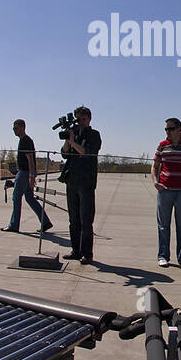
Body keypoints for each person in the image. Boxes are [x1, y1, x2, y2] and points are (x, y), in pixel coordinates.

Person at [151, 118, 181, 268]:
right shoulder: (162, 146)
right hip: (165, 191)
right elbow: (155, 166)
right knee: (163, 226)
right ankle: (163, 256)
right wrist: (155, 182)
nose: (168, 131)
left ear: (179, 129)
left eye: (171, 128)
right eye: (166, 129)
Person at [59, 107, 103, 264]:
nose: (81, 121)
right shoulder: (73, 133)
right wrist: (67, 139)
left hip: (86, 181)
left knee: (86, 219)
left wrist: (73, 142)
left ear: (89, 119)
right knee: (74, 219)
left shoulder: (94, 135)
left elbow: (87, 152)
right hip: (72, 180)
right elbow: (64, 154)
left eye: (84, 118)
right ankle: (75, 250)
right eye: (79, 119)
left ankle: (87, 253)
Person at [3, 118, 53, 236]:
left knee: (16, 197)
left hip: (24, 173)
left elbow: (30, 159)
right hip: (26, 173)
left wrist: (31, 175)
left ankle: (14, 225)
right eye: (13, 128)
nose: (14, 130)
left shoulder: (25, 140)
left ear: (22, 127)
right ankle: (45, 222)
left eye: (16, 128)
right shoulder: (24, 140)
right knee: (30, 198)